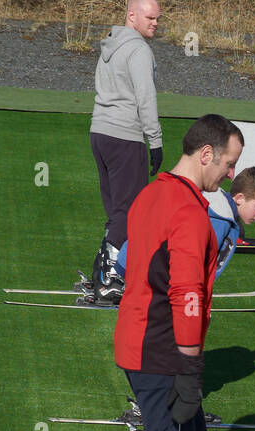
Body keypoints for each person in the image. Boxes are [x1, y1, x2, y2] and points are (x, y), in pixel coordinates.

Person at [107, 114, 244, 431]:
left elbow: (126, 261)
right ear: (205, 154)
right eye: (229, 163)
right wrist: (189, 366)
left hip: (142, 339)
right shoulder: (188, 211)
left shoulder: (151, 194)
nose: (230, 175)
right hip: (163, 349)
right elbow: (187, 292)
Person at [84, 0, 164, 306]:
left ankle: (102, 273)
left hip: (100, 133)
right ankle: (109, 280)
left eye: (158, 18)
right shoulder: (139, 50)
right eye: (150, 17)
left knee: (117, 209)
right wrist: (154, 140)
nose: (155, 22)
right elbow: (146, 97)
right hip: (124, 136)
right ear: (132, 15)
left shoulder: (111, 44)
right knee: (131, 211)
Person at [110, 166, 255, 283]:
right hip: (147, 276)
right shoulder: (221, 220)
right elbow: (193, 263)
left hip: (131, 261)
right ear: (239, 198)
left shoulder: (209, 196)